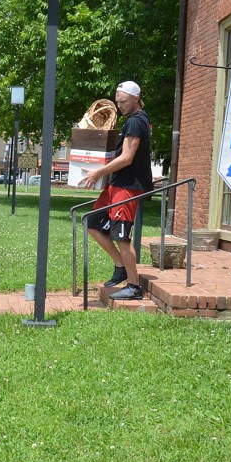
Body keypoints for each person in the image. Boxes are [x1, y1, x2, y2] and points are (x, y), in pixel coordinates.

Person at [80, 80, 153, 301]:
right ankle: (120, 266)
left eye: (123, 101)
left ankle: (134, 286)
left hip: (128, 186)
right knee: (92, 222)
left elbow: (127, 158)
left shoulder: (136, 122)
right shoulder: (134, 120)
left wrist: (98, 173)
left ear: (135, 98)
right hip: (117, 184)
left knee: (122, 237)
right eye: (117, 101)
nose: (119, 105)